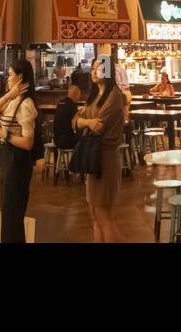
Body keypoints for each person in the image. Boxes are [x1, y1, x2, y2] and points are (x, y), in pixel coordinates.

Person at [0, 59, 39, 242]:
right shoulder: (12, 101)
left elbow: (28, 143)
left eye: (10, 75)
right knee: (8, 213)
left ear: (20, 77)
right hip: (8, 159)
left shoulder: (26, 104)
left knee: (12, 215)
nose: (7, 78)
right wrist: (9, 95)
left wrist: (3, 134)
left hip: (18, 162)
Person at [73, 56, 126, 242]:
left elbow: (99, 126)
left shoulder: (114, 96)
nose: (93, 71)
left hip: (106, 158)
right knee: (95, 213)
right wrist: (85, 121)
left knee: (103, 215)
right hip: (93, 158)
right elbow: (76, 121)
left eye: (98, 68)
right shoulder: (94, 96)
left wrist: (83, 121)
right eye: (93, 68)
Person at [54, 71, 88, 151]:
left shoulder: (60, 102)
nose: (79, 98)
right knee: (87, 140)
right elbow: (76, 124)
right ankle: (80, 163)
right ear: (76, 95)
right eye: (79, 95)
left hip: (57, 140)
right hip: (67, 141)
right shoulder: (72, 106)